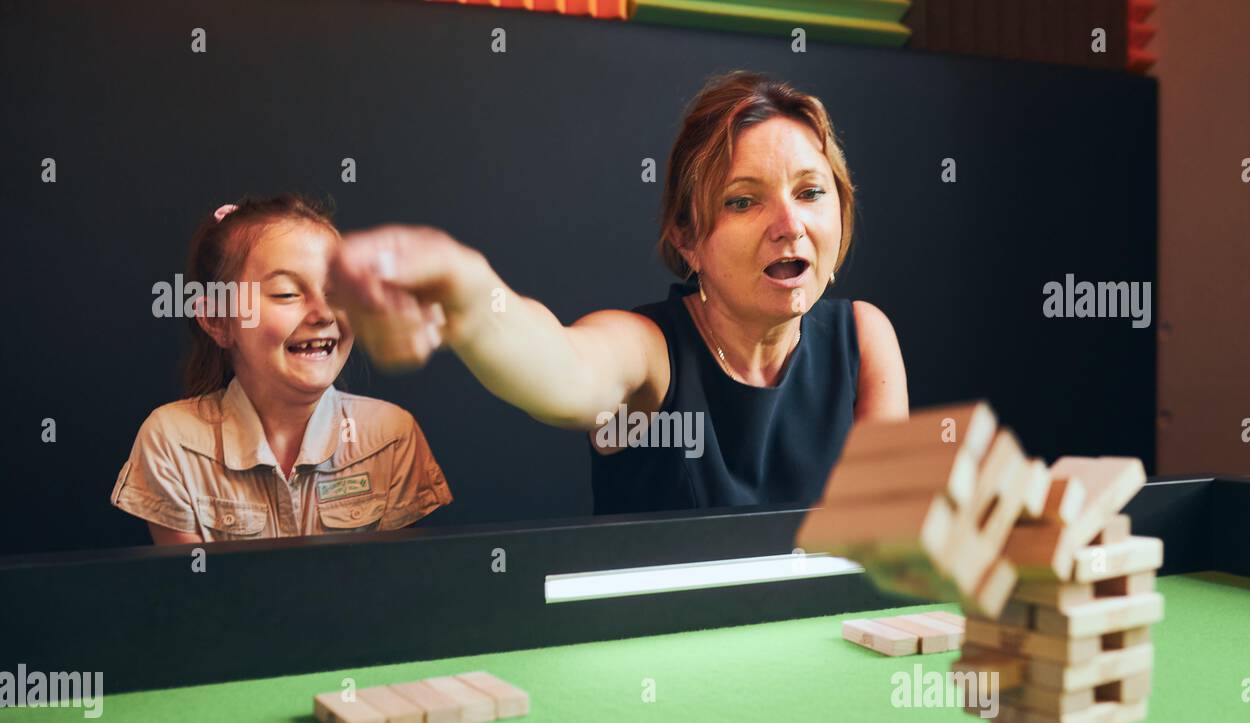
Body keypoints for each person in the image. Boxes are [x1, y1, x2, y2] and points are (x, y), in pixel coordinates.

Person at [328, 70, 908, 514]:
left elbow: (889, 540)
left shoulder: (863, 337)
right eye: (742, 201)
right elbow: (561, 368)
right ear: (688, 240)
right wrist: (464, 288)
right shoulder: (649, 352)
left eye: (810, 192)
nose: (789, 223)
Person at [111, 194, 452, 544]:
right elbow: (191, 594)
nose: (324, 314)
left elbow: (396, 589)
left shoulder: (392, 438)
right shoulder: (172, 443)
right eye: (287, 293)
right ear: (217, 319)